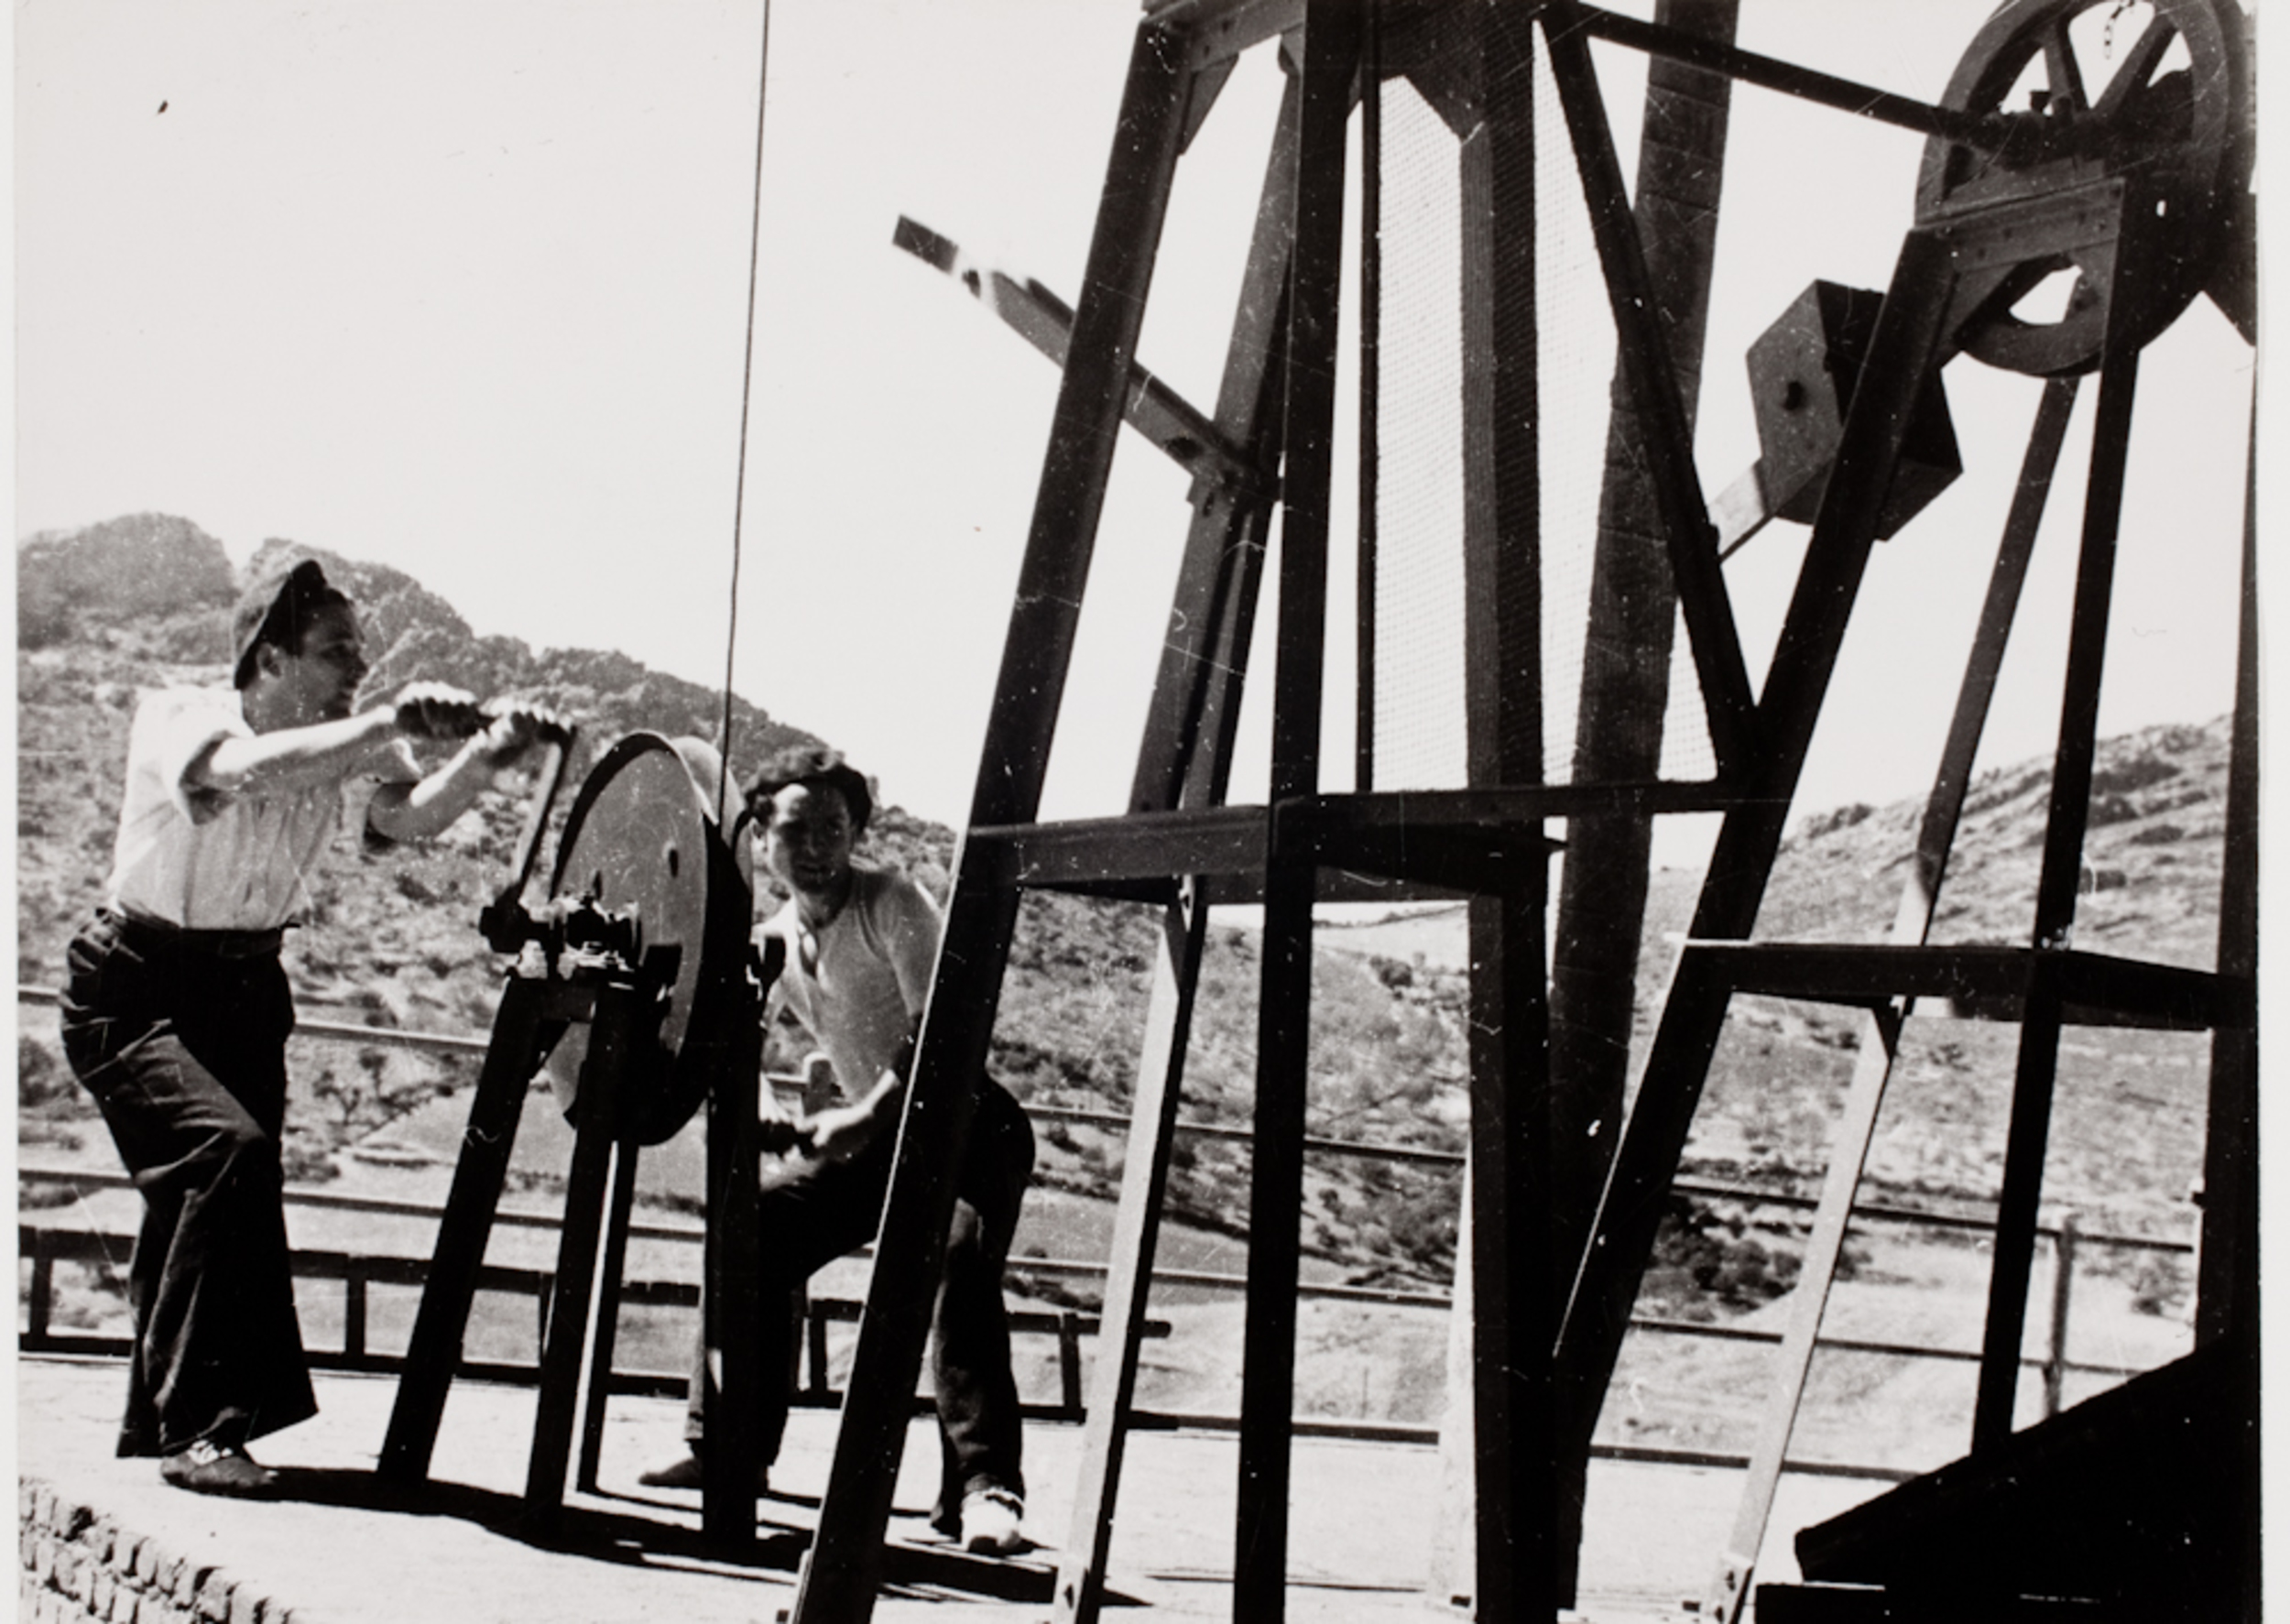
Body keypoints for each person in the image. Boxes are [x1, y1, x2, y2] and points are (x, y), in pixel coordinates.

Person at [58, 557, 560, 1498]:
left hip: (246, 990)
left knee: (200, 1197)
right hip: (133, 988)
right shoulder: (184, 715)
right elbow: (238, 774)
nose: (356, 667)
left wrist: (484, 757)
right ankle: (201, 1436)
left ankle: (170, 1427)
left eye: (360, 654)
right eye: (337, 652)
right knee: (225, 1159)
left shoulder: (349, 738)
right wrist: (385, 722)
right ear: (272, 657)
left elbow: (405, 820)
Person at [640, 746, 1037, 1557]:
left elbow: (940, 1030)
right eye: (797, 828)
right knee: (753, 1231)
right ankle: (726, 1447)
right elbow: (735, 1046)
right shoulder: (774, 939)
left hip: (966, 1125)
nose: (816, 846)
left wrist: (859, 1117)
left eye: (834, 827)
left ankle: (985, 1490)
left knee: (958, 1262)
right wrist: (765, 1108)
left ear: (857, 832)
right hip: (877, 1138)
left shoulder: (893, 902)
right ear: (761, 835)